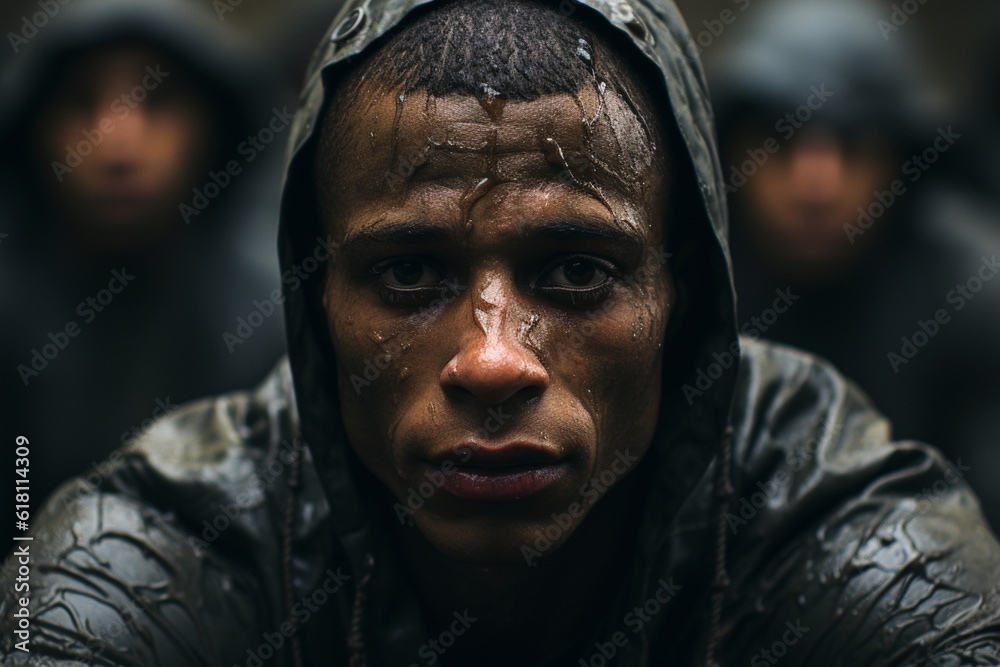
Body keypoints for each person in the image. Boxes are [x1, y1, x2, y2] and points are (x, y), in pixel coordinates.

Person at [2, 0, 999, 664]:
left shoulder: (831, 525)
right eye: (407, 273)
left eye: (577, 272)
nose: (491, 358)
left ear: (684, 296)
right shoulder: (172, 538)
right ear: (315, 301)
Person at [0, 0, 286, 546]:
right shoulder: (11, 317)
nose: (118, 147)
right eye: (80, 101)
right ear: (32, 130)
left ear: (216, 126)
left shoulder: (271, 324)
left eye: (159, 101)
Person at [710, 0, 1000, 529]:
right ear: (729, 151)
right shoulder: (683, 278)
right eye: (780, 138)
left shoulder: (971, 297)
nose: (815, 186)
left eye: (853, 142)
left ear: (901, 161)